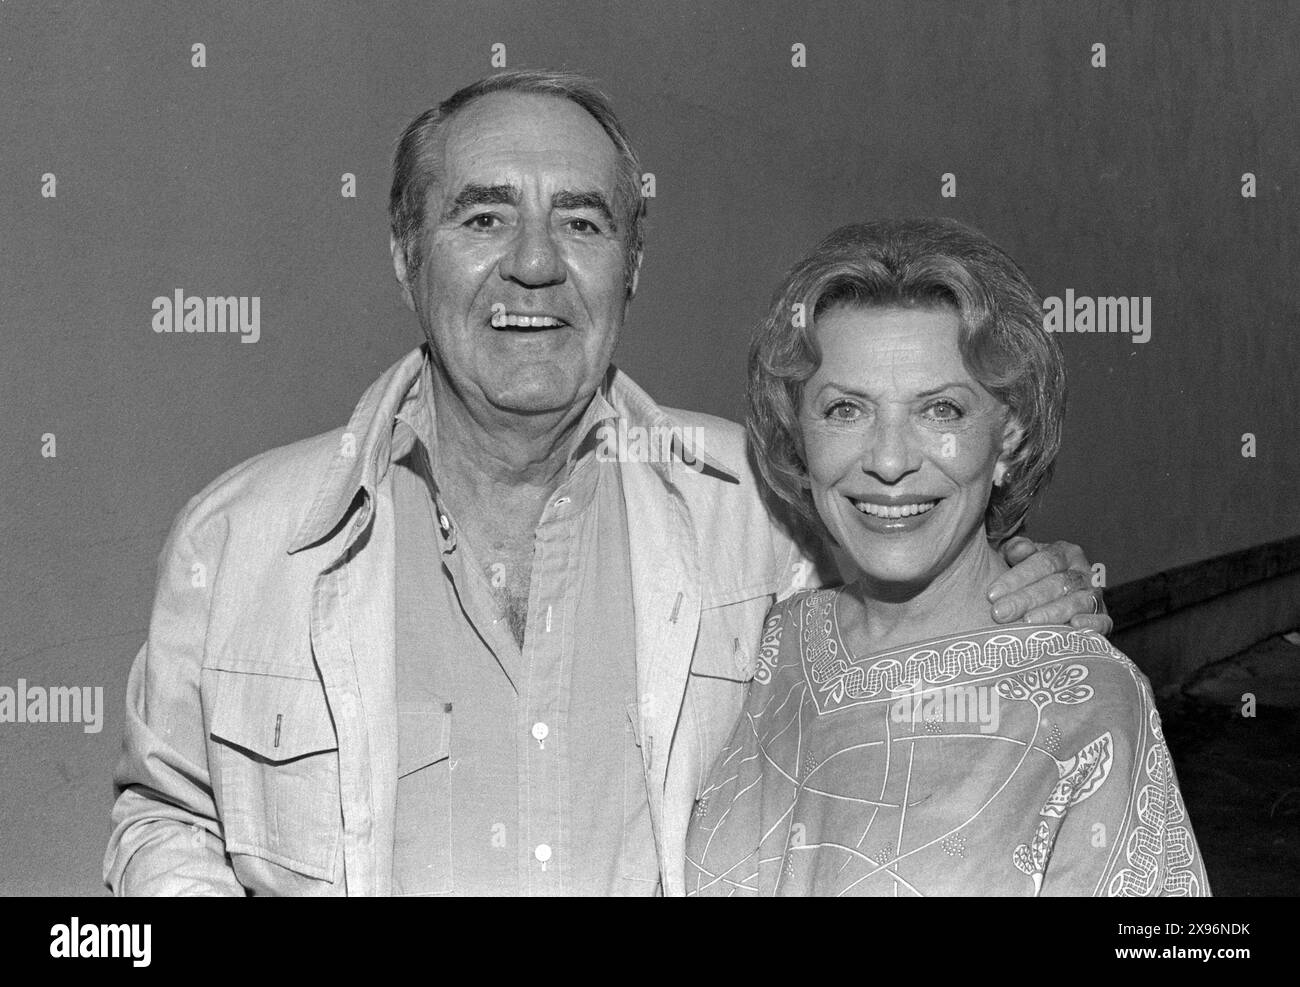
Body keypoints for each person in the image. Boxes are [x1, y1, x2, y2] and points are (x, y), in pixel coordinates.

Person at [104, 73, 1107, 897]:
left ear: (631, 264)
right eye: (483, 217)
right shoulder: (240, 539)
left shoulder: (765, 513)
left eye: (581, 224)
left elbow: (914, 632)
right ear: (407, 254)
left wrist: (1020, 585)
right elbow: (169, 814)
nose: (533, 265)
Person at [684, 218, 1207, 896]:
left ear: (1009, 433)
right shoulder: (782, 640)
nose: (891, 460)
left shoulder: (1089, 704)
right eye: (845, 409)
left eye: (942, 410)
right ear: (797, 430)